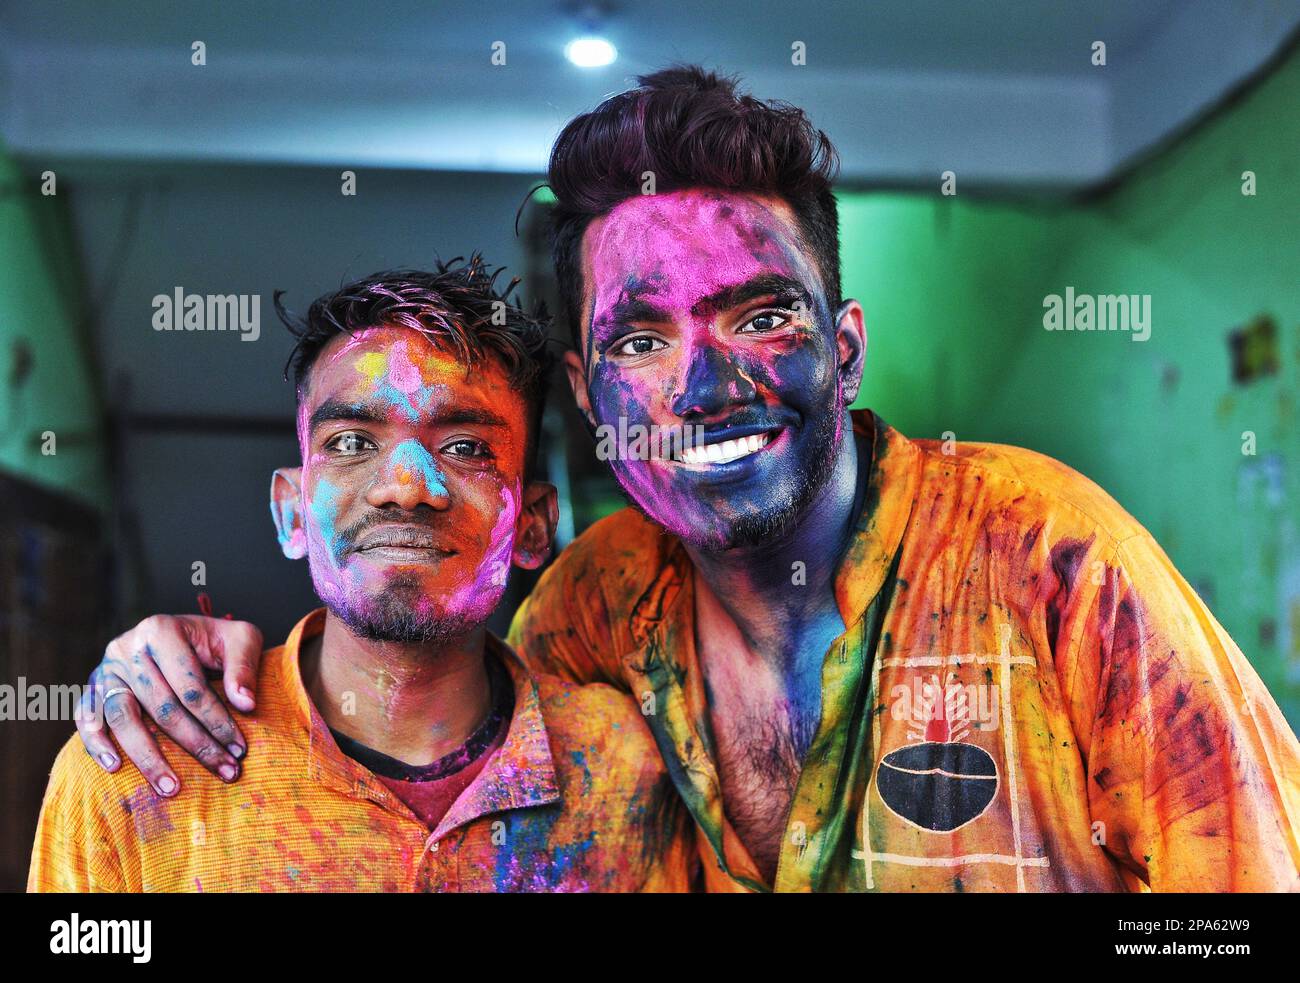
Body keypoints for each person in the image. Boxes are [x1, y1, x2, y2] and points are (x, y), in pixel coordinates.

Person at [76, 68, 1300, 892]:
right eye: (641, 340)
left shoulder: (1046, 556)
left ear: (847, 344)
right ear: (590, 391)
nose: (703, 384)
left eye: (762, 313)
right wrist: (157, 654)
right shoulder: (588, 617)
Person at [31, 258, 696, 892]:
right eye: (351, 442)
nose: (406, 488)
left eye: (465, 447)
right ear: (291, 513)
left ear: (532, 525)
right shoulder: (137, 770)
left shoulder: (619, 768)